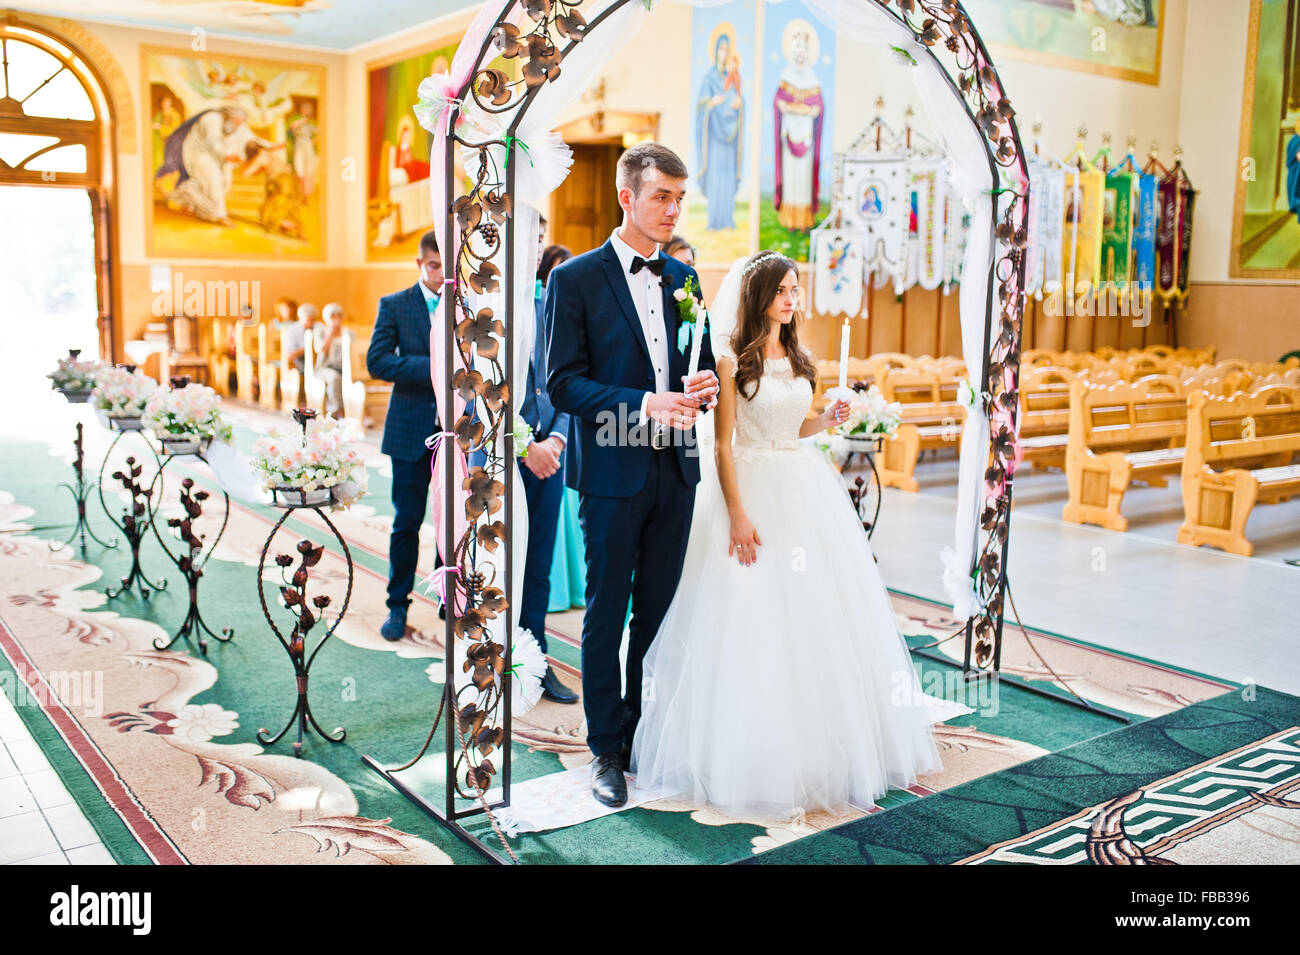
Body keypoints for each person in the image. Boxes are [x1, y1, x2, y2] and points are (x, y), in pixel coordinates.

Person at [631, 251, 946, 818]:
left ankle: (824, 746)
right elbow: (724, 443)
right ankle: (745, 754)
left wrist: (827, 421)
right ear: (758, 295)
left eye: (796, 289)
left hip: (802, 484)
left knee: (817, 617)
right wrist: (738, 513)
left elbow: (791, 425)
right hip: (749, 486)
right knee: (746, 620)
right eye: (781, 290)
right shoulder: (729, 359)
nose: (791, 299)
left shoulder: (798, 355)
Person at [545, 142, 720, 807]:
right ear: (628, 197)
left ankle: (646, 732)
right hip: (613, 472)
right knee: (605, 612)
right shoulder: (577, 279)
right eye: (662, 197)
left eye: (680, 198)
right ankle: (605, 750)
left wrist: (704, 385)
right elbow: (562, 383)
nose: (674, 209)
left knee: (659, 612)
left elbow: (697, 365)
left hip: (676, 471)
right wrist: (642, 403)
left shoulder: (685, 280)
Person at [367, 230, 444, 641]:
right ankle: (397, 605)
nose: (440, 274)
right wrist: (435, 368)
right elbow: (377, 361)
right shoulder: (395, 305)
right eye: (433, 266)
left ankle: (450, 599)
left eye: (446, 265)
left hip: (456, 433)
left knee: (451, 524)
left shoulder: (464, 303)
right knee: (407, 522)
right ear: (420, 264)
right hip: (410, 429)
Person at [518, 225, 578, 705]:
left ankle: (533, 661)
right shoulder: (483, 302)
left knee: (538, 564)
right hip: (497, 457)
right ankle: (490, 660)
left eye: (543, 235)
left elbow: (567, 377)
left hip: (550, 453)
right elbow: (478, 387)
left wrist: (556, 437)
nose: (537, 243)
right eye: (529, 233)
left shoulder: (551, 303)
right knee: (497, 565)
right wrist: (525, 446)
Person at [696, 32, 743, 231]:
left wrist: (740, 105)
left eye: (727, 50)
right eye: (721, 49)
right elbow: (701, 106)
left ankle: (727, 220)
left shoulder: (732, 78)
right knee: (716, 178)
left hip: (730, 139)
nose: (723, 54)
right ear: (715, 51)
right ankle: (714, 220)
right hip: (715, 138)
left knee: (728, 177)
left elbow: (738, 99)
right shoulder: (709, 78)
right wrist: (711, 104)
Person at [316, 303, 346, 417]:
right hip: (325, 367)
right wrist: (331, 334)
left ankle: (362, 412)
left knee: (358, 380)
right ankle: (337, 411)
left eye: (339, 316)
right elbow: (321, 350)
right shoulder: (321, 331)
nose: (336, 320)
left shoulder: (348, 332)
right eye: (333, 317)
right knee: (334, 378)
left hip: (345, 368)